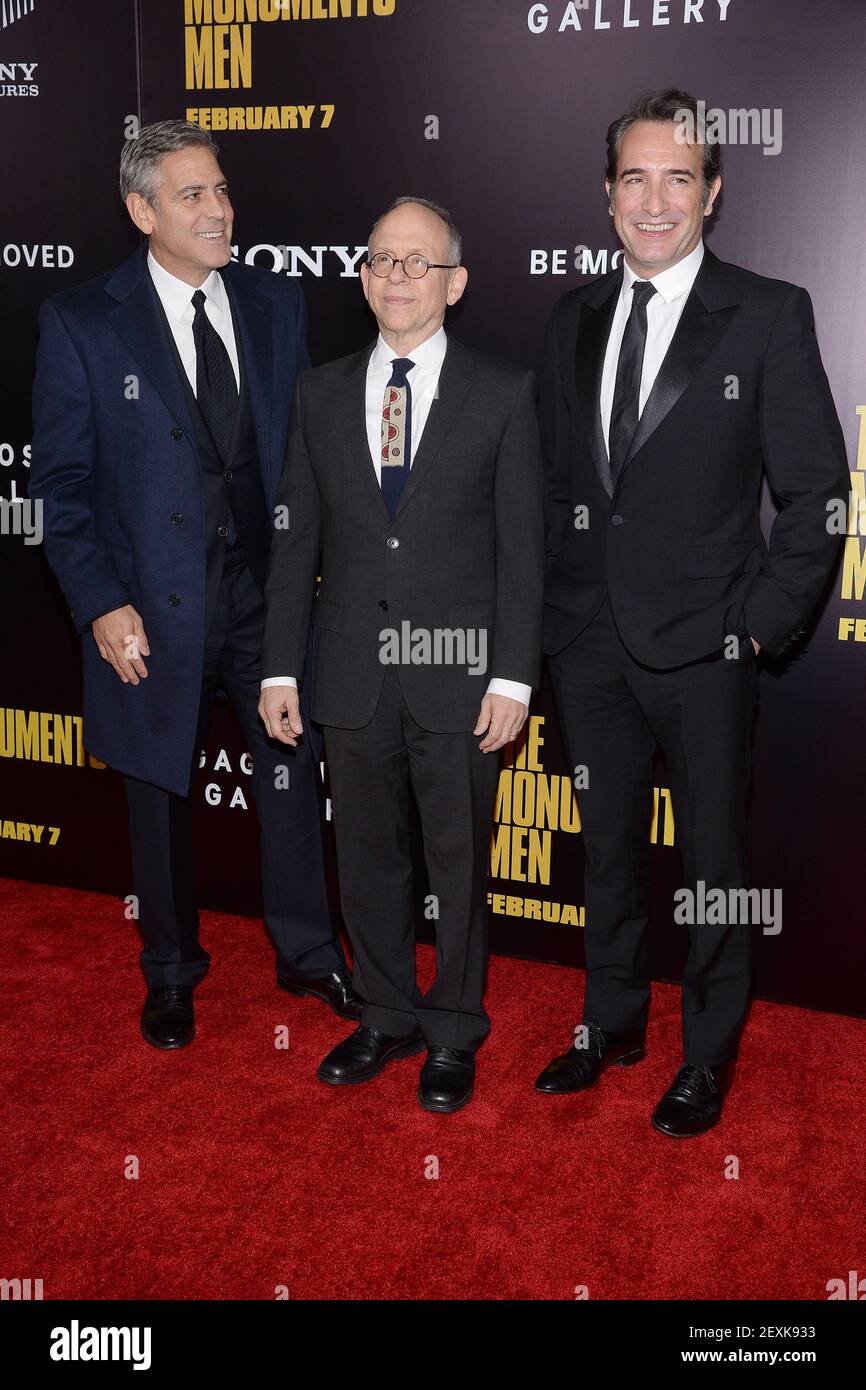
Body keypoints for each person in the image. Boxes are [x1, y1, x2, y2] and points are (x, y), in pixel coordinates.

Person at [536, 89, 848, 1135]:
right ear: (607, 196)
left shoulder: (767, 312)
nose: (654, 199)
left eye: (678, 177)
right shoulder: (570, 318)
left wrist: (759, 623)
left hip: (708, 645)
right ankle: (610, 1023)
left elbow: (816, 491)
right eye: (634, 177)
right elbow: (549, 483)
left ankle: (705, 1054)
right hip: (585, 643)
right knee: (607, 851)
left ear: (710, 194)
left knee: (712, 866)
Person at [30, 119, 359, 1050]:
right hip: (149, 605)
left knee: (293, 774)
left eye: (220, 190)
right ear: (142, 212)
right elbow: (57, 486)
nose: (219, 210)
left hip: (265, 593)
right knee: (156, 792)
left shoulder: (272, 301)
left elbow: (300, 455)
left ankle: (308, 954)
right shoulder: (83, 321)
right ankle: (171, 971)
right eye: (192, 196)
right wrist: (98, 601)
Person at [259, 197, 546, 1112]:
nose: (395, 276)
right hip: (347, 670)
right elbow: (294, 539)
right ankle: (383, 1012)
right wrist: (277, 665)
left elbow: (523, 551)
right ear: (361, 275)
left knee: (459, 859)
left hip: (461, 676)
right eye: (381, 259)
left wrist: (511, 673)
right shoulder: (320, 391)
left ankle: (454, 1029)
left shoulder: (504, 392)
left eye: (417, 263)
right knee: (370, 858)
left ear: (454, 284)